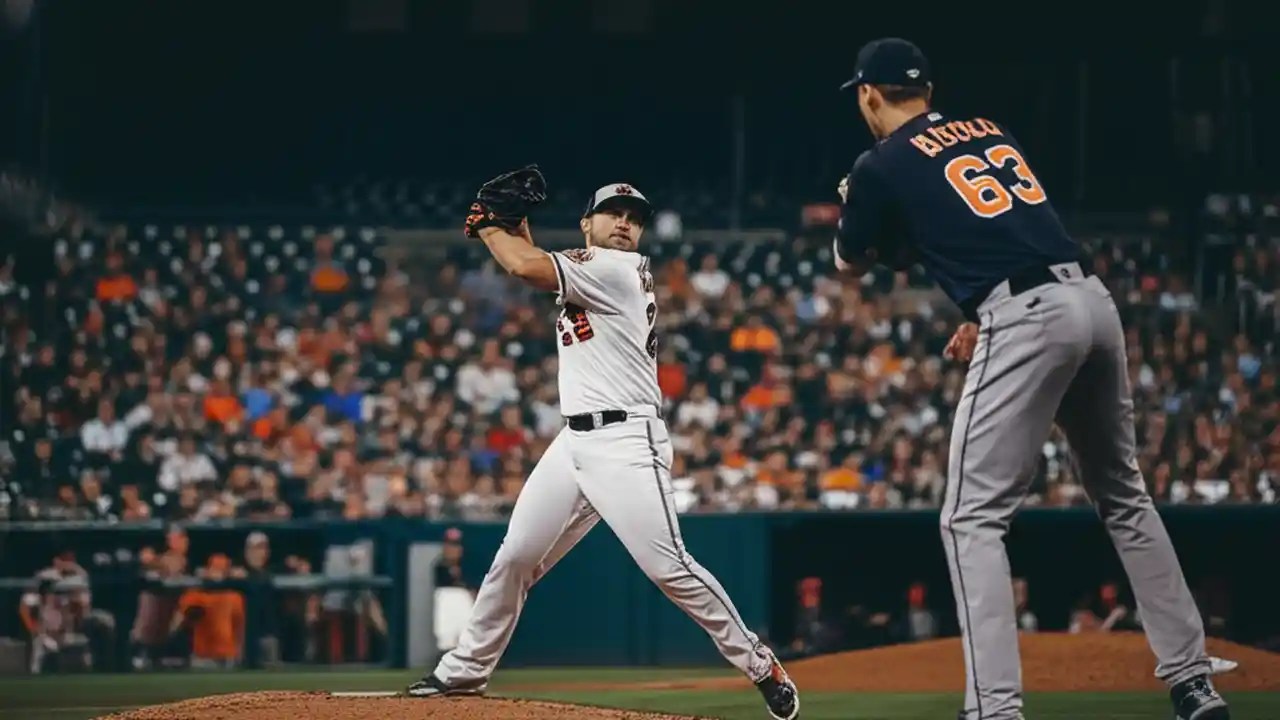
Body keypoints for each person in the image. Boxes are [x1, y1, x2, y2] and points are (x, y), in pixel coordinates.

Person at [832, 37, 1227, 720]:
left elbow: (853, 261)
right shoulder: (990, 129)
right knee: (1125, 497)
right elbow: (996, 230)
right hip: (1089, 300)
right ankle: (1193, 682)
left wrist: (853, 200)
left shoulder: (880, 162)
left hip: (1026, 315)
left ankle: (993, 709)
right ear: (927, 88)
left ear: (868, 94)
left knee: (970, 518)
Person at [406, 175, 799, 720]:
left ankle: (760, 664)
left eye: (633, 218)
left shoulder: (618, 269)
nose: (624, 223)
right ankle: (464, 671)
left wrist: (490, 227)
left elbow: (524, 265)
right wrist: (515, 230)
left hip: (627, 442)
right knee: (516, 556)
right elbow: (539, 258)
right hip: (574, 442)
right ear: (587, 224)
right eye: (613, 213)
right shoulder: (590, 268)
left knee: (670, 568)